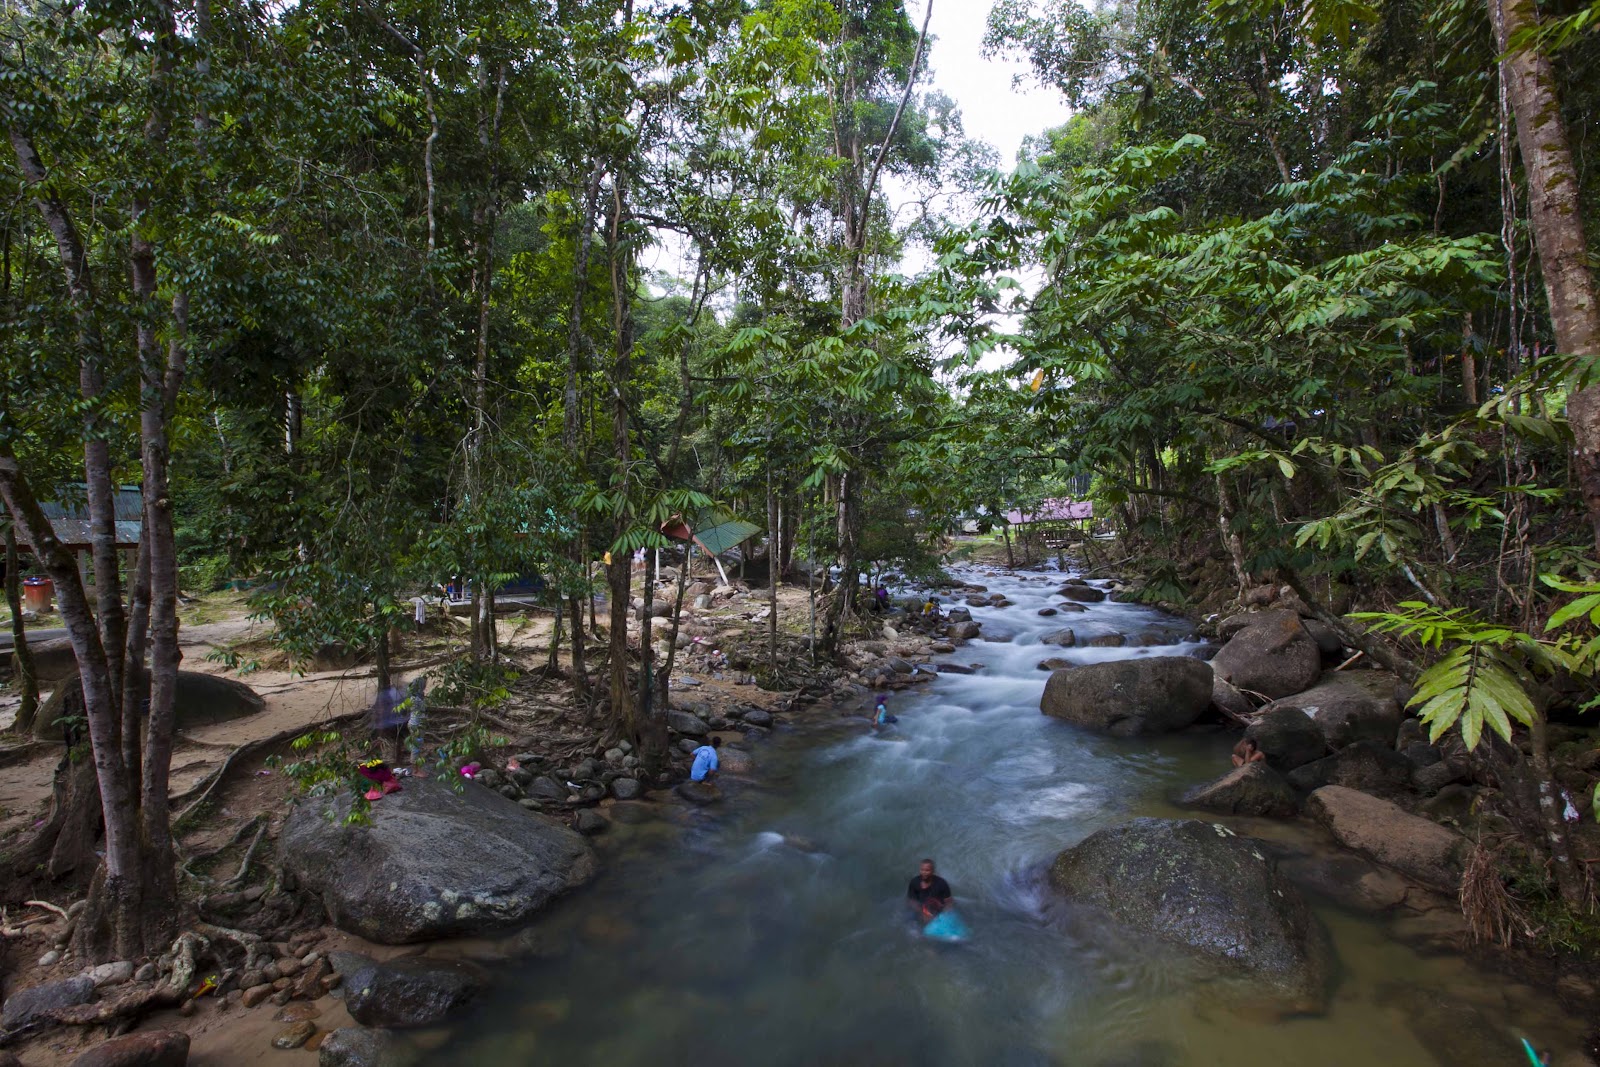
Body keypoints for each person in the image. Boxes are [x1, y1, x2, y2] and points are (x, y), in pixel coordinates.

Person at [906, 858, 952, 923]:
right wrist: (923, 914)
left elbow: (948, 901)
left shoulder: (942, 883)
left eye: (927, 870)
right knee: (909, 919)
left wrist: (944, 914)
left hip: (937, 909)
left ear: (933, 871)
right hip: (920, 909)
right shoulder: (914, 882)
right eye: (922, 870)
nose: (924, 872)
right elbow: (912, 901)